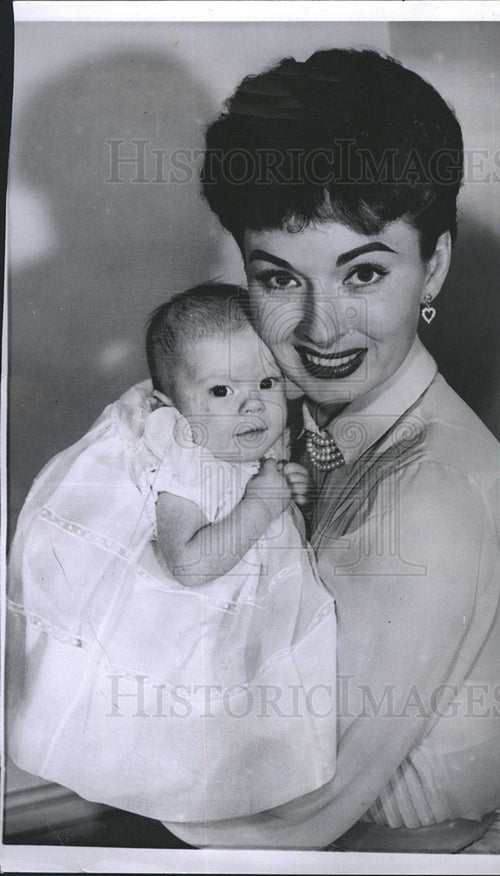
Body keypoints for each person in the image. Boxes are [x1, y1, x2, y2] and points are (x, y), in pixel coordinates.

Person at [163, 49, 500, 852]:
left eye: (363, 274)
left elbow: (283, 805)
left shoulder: (431, 495)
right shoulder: (300, 425)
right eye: (280, 279)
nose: (320, 331)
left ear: (433, 267)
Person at [6, 284, 337, 823]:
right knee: (187, 733)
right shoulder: (187, 457)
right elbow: (187, 563)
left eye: (267, 381)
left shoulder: (246, 433)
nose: (253, 402)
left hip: (246, 605)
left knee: (248, 716)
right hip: (191, 621)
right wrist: (261, 504)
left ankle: (239, 798)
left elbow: (267, 478)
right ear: (174, 408)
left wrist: (284, 484)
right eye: (221, 391)